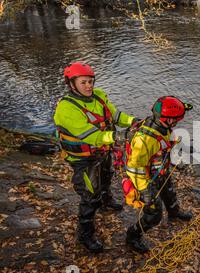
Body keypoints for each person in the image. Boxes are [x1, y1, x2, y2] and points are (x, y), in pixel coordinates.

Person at [53, 62, 140, 253]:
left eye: (91, 81)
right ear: (72, 84)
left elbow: (115, 116)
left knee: (107, 176)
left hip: (103, 151)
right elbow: (91, 136)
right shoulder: (66, 109)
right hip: (83, 159)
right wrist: (120, 137)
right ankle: (85, 235)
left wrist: (134, 121)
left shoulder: (99, 96)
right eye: (83, 82)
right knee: (89, 194)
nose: (89, 86)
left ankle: (106, 201)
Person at [122, 96, 193, 253]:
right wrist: (144, 190)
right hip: (146, 179)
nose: (177, 122)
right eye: (175, 120)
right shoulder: (144, 140)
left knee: (169, 192)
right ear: (165, 118)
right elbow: (134, 168)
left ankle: (174, 212)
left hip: (159, 171)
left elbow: (163, 144)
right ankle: (133, 235)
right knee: (154, 213)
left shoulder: (163, 127)